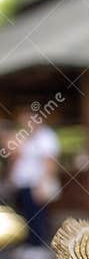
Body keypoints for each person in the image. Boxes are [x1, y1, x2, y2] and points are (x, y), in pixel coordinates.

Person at [8, 106, 60, 249]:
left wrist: (43, 184)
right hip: (23, 184)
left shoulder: (46, 136)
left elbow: (50, 162)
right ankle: (30, 244)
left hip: (37, 184)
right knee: (27, 214)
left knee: (37, 215)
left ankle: (39, 246)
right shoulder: (25, 137)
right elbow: (15, 157)